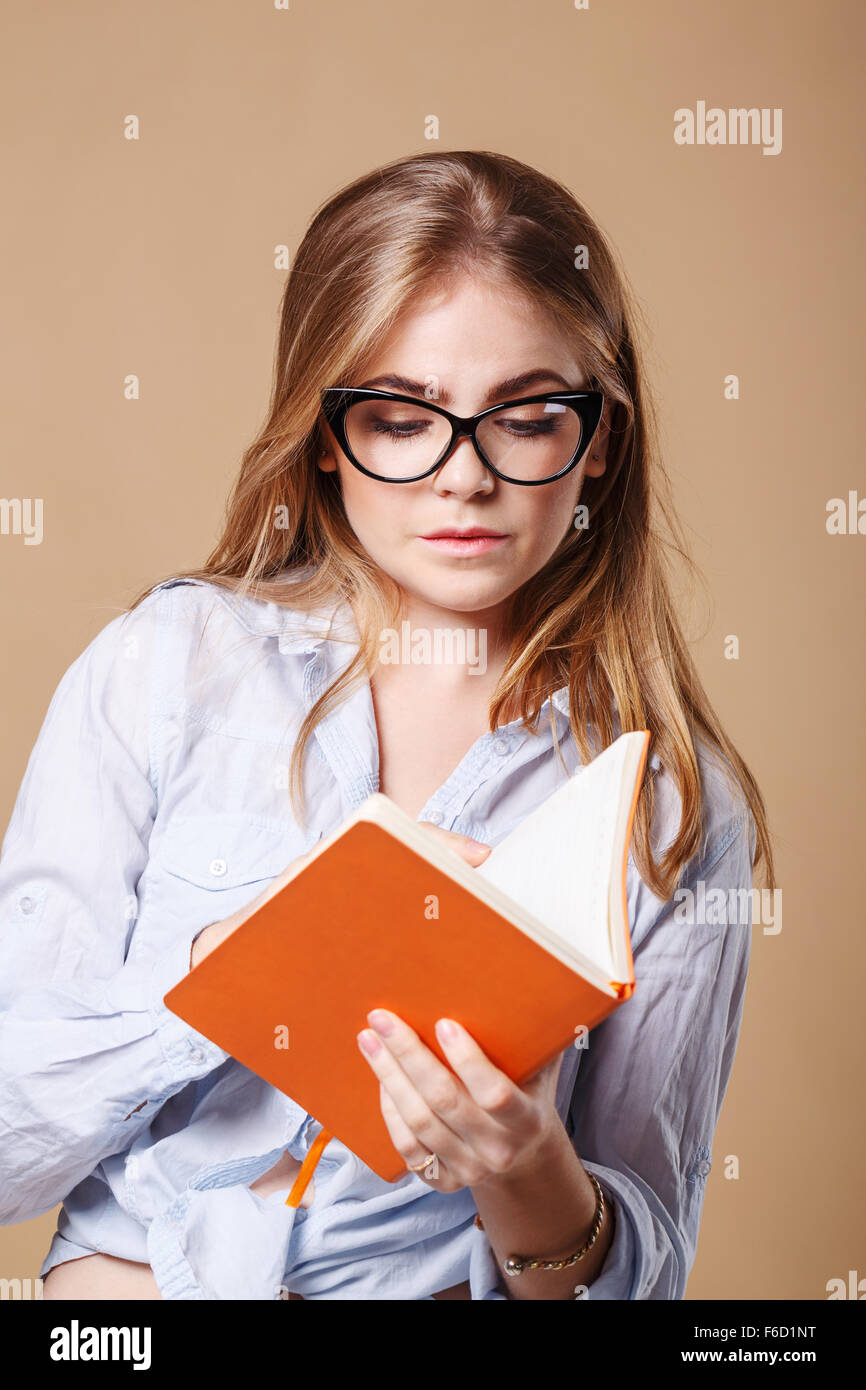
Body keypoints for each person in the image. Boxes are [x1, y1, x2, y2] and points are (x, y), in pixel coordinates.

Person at [0, 150, 773, 1301]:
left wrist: (527, 1170)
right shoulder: (166, 671)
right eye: (403, 419)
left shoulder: (669, 801)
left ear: (597, 436)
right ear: (324, 432)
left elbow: (638, 1274)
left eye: (523, 415)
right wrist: (225, 972)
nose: (461, 478)